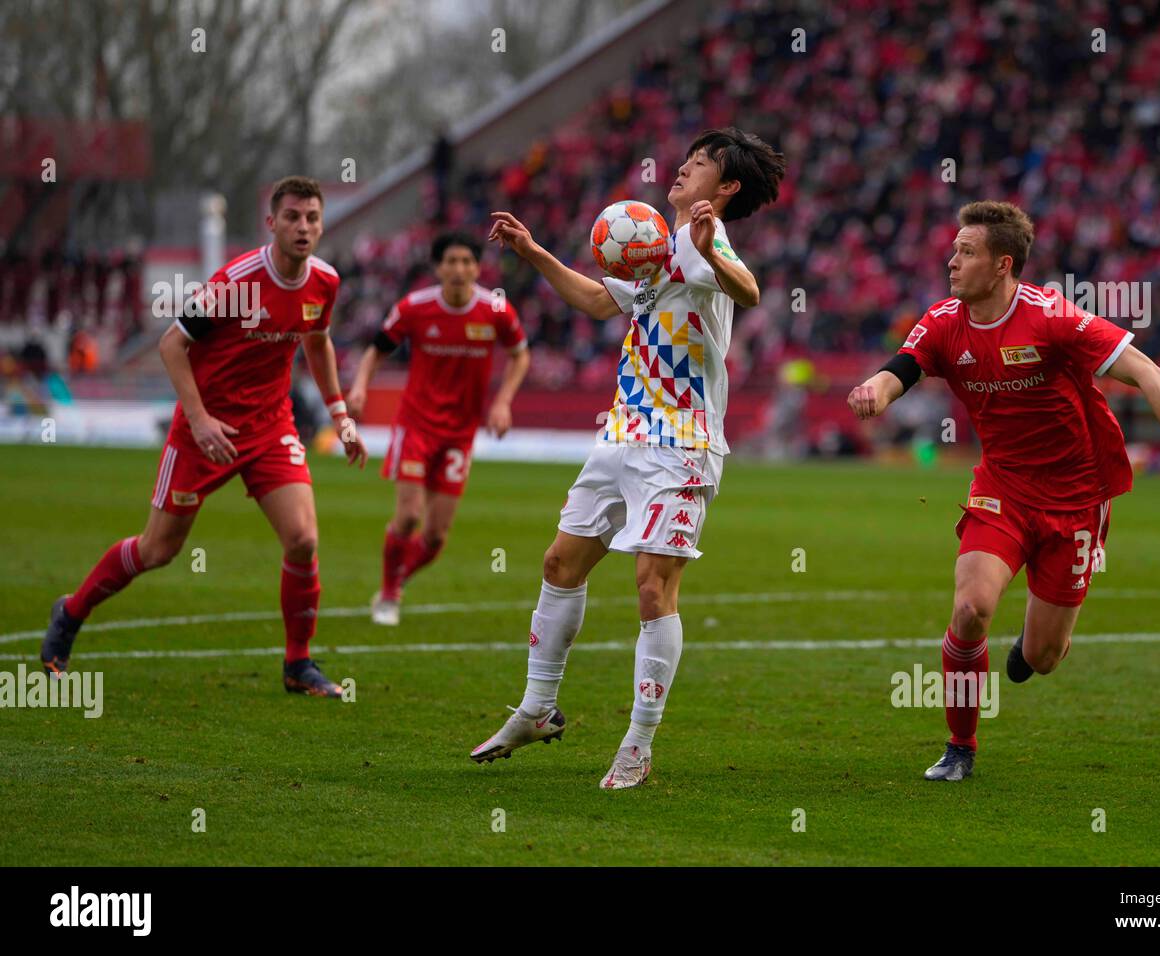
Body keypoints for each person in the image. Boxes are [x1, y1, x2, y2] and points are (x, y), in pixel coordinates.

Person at [848, 200, 1160, 781]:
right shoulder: (944, 319)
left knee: (1044, 658)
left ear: (1003, 264)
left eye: (967, 251)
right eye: (954, 248)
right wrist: (876, 391)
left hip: (1077, 499)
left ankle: (1029, 649)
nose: (952, 261)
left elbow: (1147, 371)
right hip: (1001, 487)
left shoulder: (1052, 318)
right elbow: (903, 365)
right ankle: (960, 747)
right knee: (971, 609)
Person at [472, 127, 786, 789]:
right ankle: (536, 709)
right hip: (623, 433)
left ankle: (639, 745)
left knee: (652, 587)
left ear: (725, 188)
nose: (682, 168)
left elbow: (750, 292)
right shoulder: (658, 246)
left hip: (682, 445)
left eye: (700, 164)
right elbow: (595, 299)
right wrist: (532, 252)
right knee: (561, 562)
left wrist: (711, 249)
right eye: (687, 158)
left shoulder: (706, 244)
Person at [41, 176, 367, 697]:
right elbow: (172, 344)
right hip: (203, 430)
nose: (303, 227)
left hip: (269, 427)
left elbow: (318, 341)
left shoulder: (324, 281)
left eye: (312, 218)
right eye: (292, 217)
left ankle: (298, 663)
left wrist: (340, 414)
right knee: (158, 550)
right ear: (272, 223)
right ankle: (71, 612)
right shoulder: (236, 282)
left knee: (303, 539)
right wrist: (198, 419)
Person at [347, 232, 529, 624]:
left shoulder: (495, 309)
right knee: (408, 517)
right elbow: (376, 350)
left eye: (468, 261)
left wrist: (502, 402)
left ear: (478, 268)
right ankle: (390, 595)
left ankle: (393, 580)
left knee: (434, 539)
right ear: (438, 267)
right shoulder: (414, 308)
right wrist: (360, 388)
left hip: (460, 434)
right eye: (452, 261)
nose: (460, 269)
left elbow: (520, 355)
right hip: (416, 425)